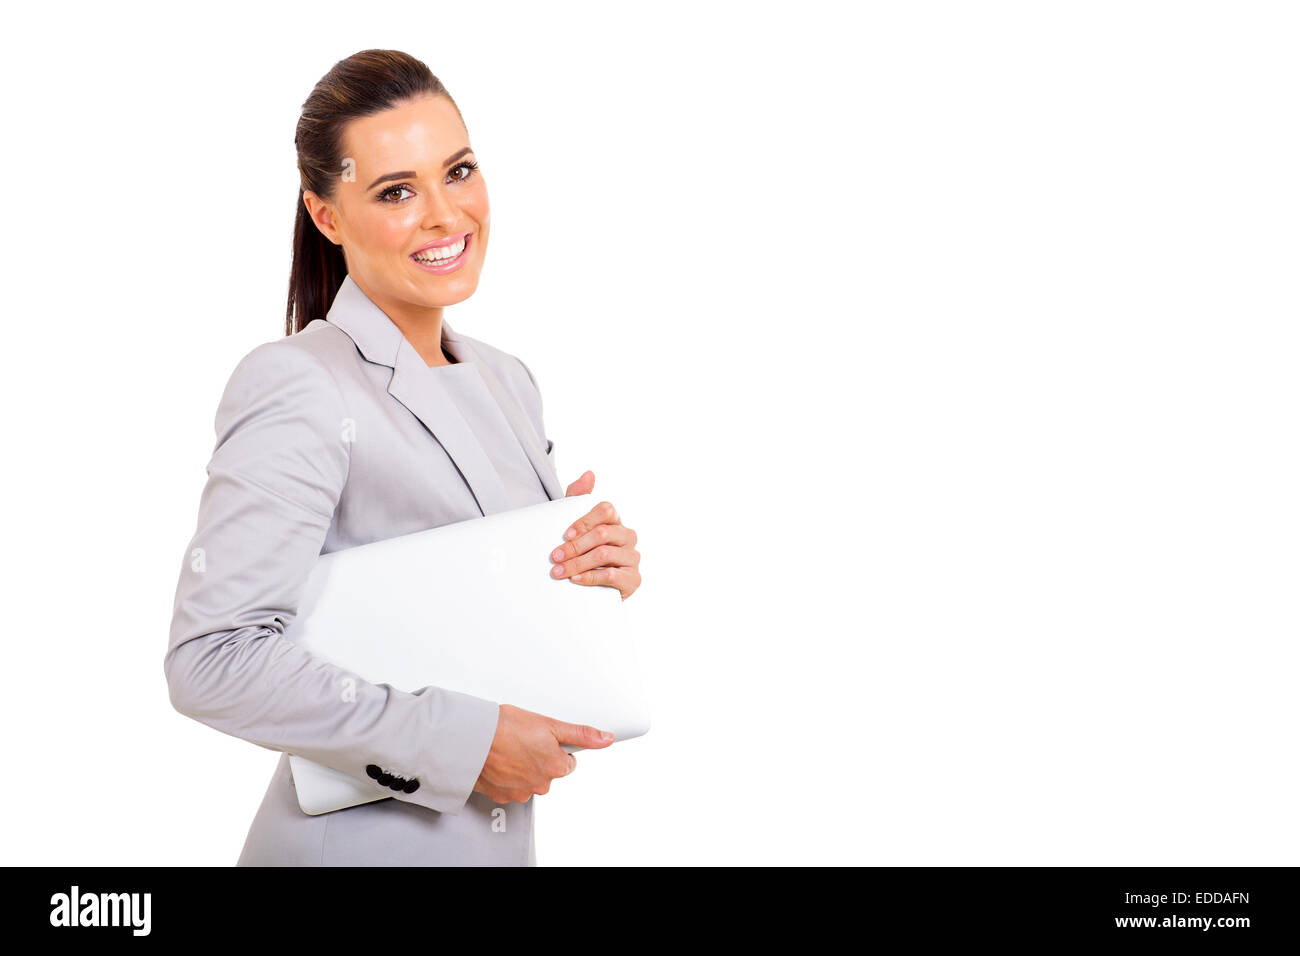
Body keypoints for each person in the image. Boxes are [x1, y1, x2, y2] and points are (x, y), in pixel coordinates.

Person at [164, 49, 642, 866]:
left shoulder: (507, 381)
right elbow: (212, 658)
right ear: (326, 216)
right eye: (395, 191)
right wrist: (461, 745)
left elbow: (469, 615)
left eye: (457, 170)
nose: (444, 214)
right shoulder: (299, 383)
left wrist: (590, 572)